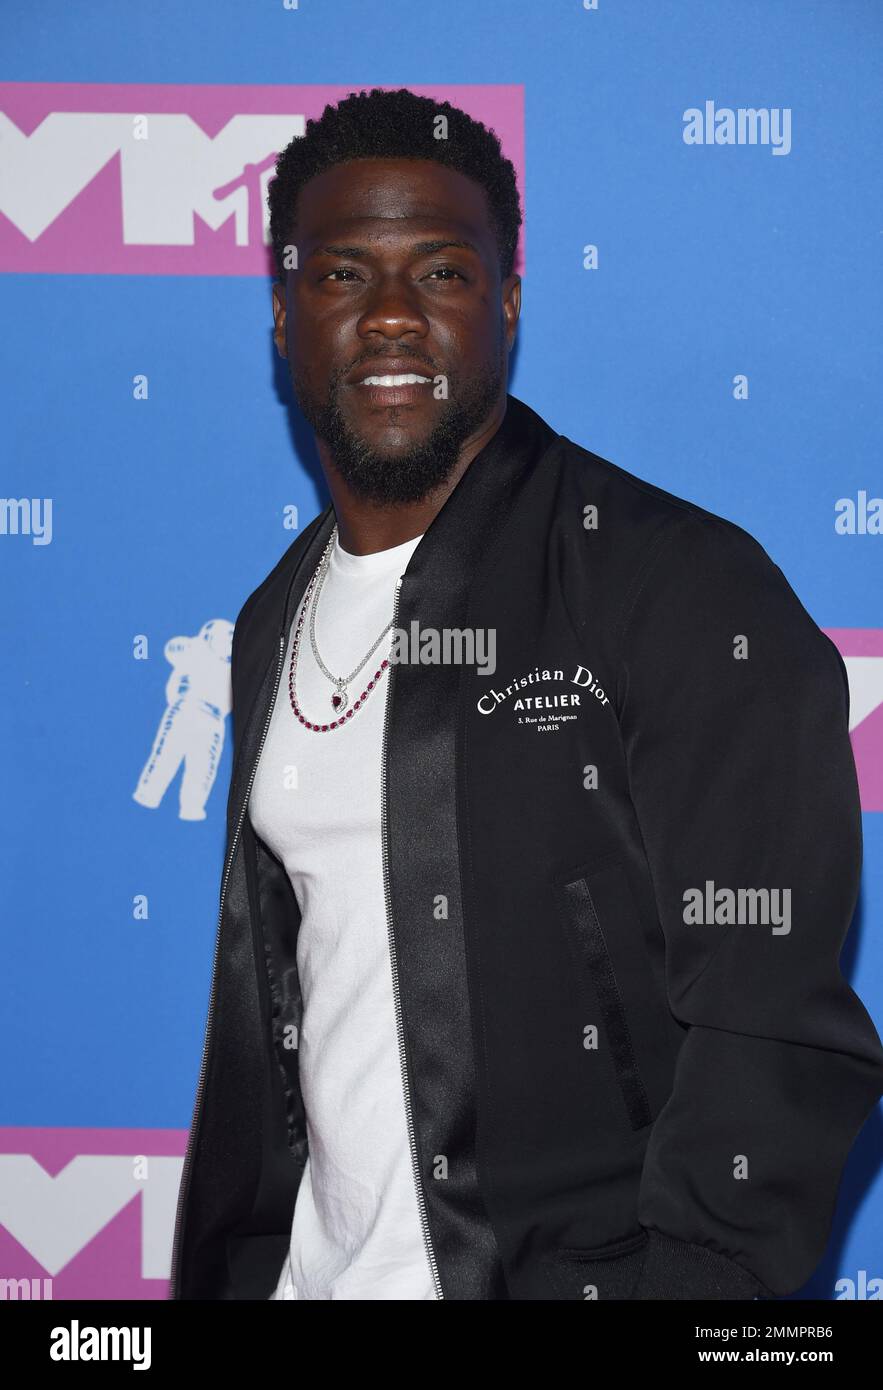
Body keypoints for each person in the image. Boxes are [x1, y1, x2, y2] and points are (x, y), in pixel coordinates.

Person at [169, 87, 883, 1301]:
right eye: (343, 276)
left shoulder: (675, 584)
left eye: (441, 274)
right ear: (284, 317)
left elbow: (770, 1026)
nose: (391, 316)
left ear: (504, 303)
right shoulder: (269, 620)